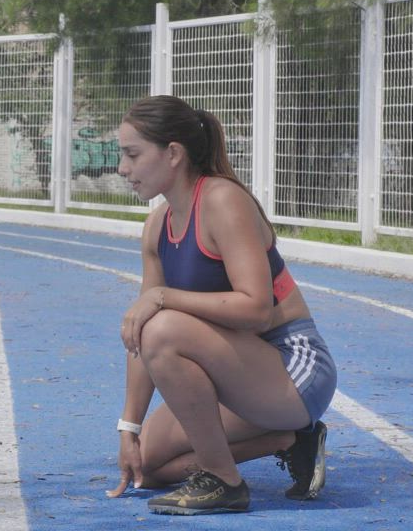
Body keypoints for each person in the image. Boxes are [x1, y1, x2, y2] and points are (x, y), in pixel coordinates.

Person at [105, 95, 336, 515]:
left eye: (133, 154)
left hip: (293, 369)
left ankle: (223, 482)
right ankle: (291, 440)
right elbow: (140, 330)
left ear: (173, 153)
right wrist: (129, 427)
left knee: (164, 326)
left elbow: (256, 310)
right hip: (241, 377)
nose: (123, 168)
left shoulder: (222, 201)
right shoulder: (156, 226)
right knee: (150, 469)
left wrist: (162, 297)